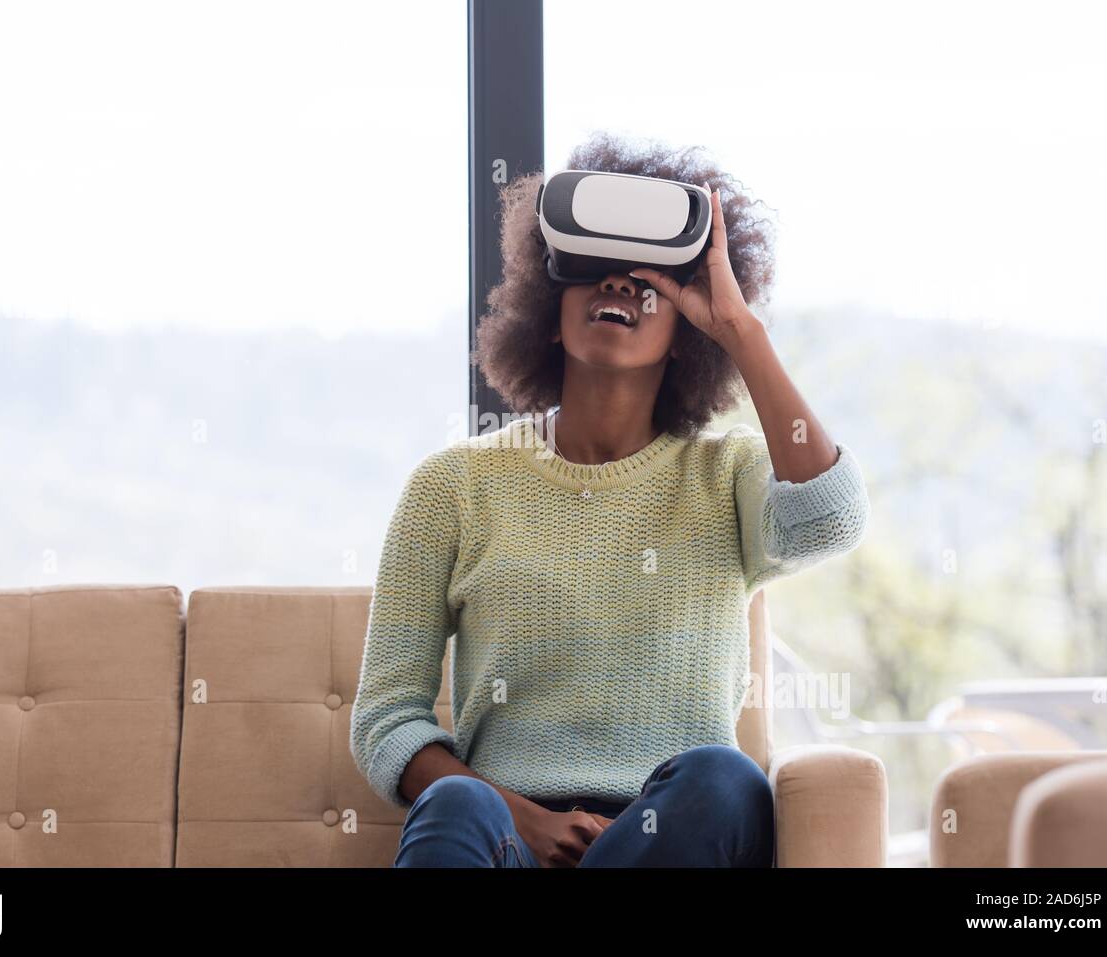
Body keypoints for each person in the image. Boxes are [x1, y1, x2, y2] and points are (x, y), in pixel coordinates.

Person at [349, 131, 870, 867]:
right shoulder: (454, 486)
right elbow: (385, 721)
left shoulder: (728, 474)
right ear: (547, 304)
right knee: (456, 802)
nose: (621, 284)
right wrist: (519, 815)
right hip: (507, 837)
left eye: (652, 278)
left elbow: (830, 518)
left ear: (690, 329)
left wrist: (741, 331)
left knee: (727, 779)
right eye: (592, 267)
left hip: (674, 835)